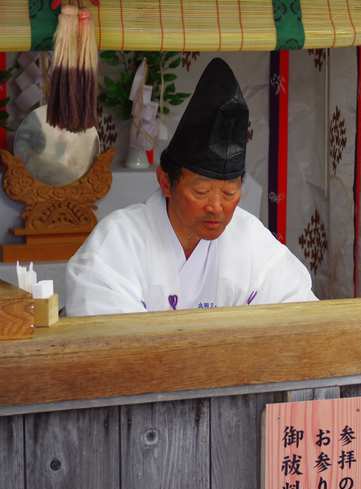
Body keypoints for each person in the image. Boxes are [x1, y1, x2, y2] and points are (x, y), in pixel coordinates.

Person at [65, 58, 316, 316]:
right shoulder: (119, 242)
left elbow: (299, 313)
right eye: (201, 192)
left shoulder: (249, 238)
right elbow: (105, 333)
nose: (216, 207)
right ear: (166, 182)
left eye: (229, 193)